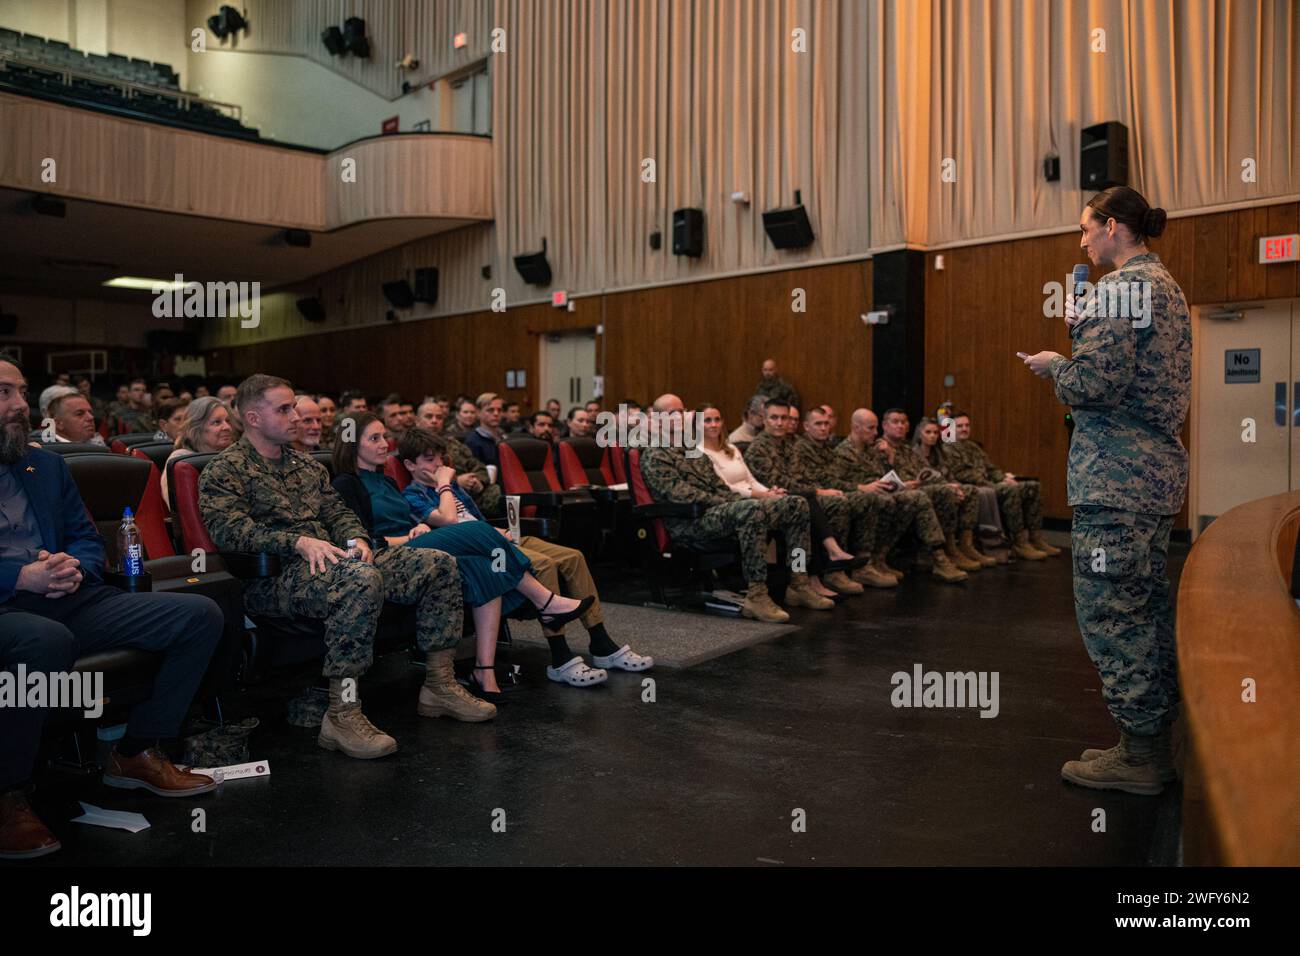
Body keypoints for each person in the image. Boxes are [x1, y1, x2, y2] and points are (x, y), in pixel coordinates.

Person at [0, 359, 224, 860]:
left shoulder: (46, 465)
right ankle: (7, 792)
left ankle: (135, 752)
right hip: (9, 608)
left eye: (21, 392)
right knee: (43, 639)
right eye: (4, 393)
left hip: (69, 596)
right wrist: (19, 575)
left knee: (199, 614)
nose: (18, 405)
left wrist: (71, 567)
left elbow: (83, 538)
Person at [199, 374, 478, 756]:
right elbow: (230, 532)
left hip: (333, 562)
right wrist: (296, 541)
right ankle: (342, 714)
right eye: (284, 408)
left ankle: (439, 685)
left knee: (437, 564)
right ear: (252, 418)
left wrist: (358, 539)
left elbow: (339, 513)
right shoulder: (224, 470)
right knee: (359, 580)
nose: (296, 415)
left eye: (294, 405)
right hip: (274, 577)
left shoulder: (307, 466)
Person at [1021, 187, 1189, 795]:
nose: (1081, 241)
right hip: (1153, 478)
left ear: (1113, 225)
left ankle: (1141, 756)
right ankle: (1145, 740)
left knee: (1113, 614)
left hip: (1115, 477)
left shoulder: (1118, 291)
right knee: (1142, 606)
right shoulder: (1163, 286)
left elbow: (1094, 385)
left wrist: (1054, 364)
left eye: (1086, 229)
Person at [331, 415, 601, 698]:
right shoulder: (347, 484)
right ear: (351, 444)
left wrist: (418, 527)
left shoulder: (386, 481)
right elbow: (361, 541)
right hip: (391, 555)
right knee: (476, 529)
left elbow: (404, 521)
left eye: (384, 436)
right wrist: (411, 535)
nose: (385, 444)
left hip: (414, 543)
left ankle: (484, 672)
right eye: (375, 439)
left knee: (487, 568)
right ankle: (544, 600)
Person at [400, 427, 652, 682]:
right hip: (480, 552)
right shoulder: (412, 496)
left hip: (497, 537)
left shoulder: (453, 488)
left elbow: (476, 519)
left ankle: (601, 643)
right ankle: (560, 657)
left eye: (441, 458)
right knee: (543, 563)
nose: (440, 465)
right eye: (430, 459)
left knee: (573, 557)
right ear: (410, 465)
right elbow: (449, 520)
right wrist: (444, 484)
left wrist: (498, 529)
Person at [639, 394, 829, 621]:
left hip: (719, 511)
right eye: (671, 414)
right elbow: (682, 496)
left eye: (681, 412)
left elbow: (719, 486)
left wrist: (739, 499)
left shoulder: (693, 451)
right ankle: (757, 594)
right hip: (690, 521)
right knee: (750, 509)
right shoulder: (655, 454)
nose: (679, 418)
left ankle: (799, 581)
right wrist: (735, 501)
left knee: (796, 505)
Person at [698, 403, 859, 599]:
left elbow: (750, 480)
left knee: (801, 507)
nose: (714, 424)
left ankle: (801, 578)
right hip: (737, 503)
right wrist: (762, 495)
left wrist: (770, 491)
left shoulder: (731, 449)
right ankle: (815, 572)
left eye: (717, 419)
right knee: (803, 501)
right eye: (707, 420)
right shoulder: (699, 453)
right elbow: (723, 487)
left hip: (759, 497)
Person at [747, 400, 894, 590]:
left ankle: (812, 578)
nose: (780, 422)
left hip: (796, 499)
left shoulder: (789, 445)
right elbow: (779, 483)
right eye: (774, 417)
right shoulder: (759, 449)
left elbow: (802, 478)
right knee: (812, 505)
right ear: (764, 419)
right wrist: (817, 491)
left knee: (809, 505)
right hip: (773, 501)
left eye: (783, 417)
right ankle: (806, 579)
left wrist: (814, 491)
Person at [835, 408, 966, 583]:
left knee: (914, 497)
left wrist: (890, 460)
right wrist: (861, 487)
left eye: (875, 428)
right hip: (861, 496)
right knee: (909, 498)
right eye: (871, 428)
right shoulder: (842, 452)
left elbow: (886, 476)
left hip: (883, 493)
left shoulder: (873, 449)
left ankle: (883, 558)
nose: (876, 433)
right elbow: (833, 482)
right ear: (856, 427)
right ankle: (865, 565)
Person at [794, 405, 912, 587]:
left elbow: (831, 478)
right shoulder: (800, 448)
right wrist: (857, 488)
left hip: (824, 493)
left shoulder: (825, 447)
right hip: (808, 495)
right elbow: (801, 481)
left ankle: (866, 563)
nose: (824, 427)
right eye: (819, 424)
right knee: (848, 502)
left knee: (888, 499)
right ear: (806, 426)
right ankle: (826, 573)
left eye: (827, 423)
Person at [877, 409, 985, 572]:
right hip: (900, 493)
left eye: (903, 422)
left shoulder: (907, 449)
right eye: (895, 422)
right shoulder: (880, 447)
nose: (900, 426)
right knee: (942, 492)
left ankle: (961, 546)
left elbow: (927, 472)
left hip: (920, 488)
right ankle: (939, 555)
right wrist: (891, 460)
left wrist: (947, 484)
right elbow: (882, 479)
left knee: (967, 490)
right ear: (885, 425)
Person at [944, 411, 1058, 560]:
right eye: (960, 426)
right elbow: (962, 474)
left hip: (990, 484)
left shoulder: (973, 446)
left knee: (1032, 486)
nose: (965, 429)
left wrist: (1003, 478)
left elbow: (991, 468)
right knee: (1010, 490)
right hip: (977, 487)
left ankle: (1035, 538)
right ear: (951, 429)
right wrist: (996, 483)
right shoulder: (948, 448)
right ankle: (1019, 542)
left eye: (967, 425)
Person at [911, 416, 1000, 568]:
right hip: (925, 490)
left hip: (944, 487)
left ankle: (966, 545)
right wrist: (949, 487)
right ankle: (950, 548)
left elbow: (950, 475)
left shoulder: (939, 454)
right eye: (928, 432)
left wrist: (956, 486)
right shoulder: (913, 454)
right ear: (920, 434)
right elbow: (919, 479)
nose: (932, 436)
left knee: (970, 491)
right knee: (950, 493)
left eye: (935, 432)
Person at [416, 399, 502, 516]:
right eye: (429, 417)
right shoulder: (414, 447)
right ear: (417, 420)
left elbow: (479, 466)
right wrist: (457, 481)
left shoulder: (453, 443)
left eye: (439, 417)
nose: (434, 421)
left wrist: (477, 481)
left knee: (500, 495)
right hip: (439, 498)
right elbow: (423, 479)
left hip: (470, 494)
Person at [164, 396, 236, 507]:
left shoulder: (235, 455)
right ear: (195, 428)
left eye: (228, 421)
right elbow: (185, 511)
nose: (227, 427)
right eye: (217, 422)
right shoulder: (181, 460)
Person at [463, 393, 504, 470]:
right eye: (490, 410)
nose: (496, 413)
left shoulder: (505, 437)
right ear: (478, 413)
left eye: (499, 410)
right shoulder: (472, 442)